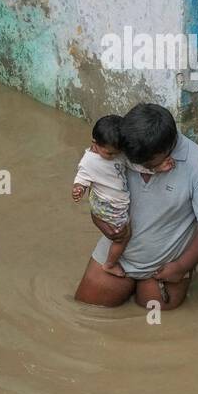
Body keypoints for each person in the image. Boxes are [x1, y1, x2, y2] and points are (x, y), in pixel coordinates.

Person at [73, 103, 198, 310]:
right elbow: (98, 191)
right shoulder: (120, 146)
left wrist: (182, 266)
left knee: (154, 324)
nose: (141, 167)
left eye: (148, 164)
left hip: (164, 264)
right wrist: (98, 220)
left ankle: (185, 273)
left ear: (167, 150)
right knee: (87, 310)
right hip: (116, 254)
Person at [72, 115, 131, 276]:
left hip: (103, 201)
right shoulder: (89, 161)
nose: (113, 156)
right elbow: (82, 177)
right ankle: (110, 264)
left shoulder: (116, 152)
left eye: (117, 153)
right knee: (123, 236)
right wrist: (78, 188)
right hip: (108, 205)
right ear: (95, 145)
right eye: (109, 153)